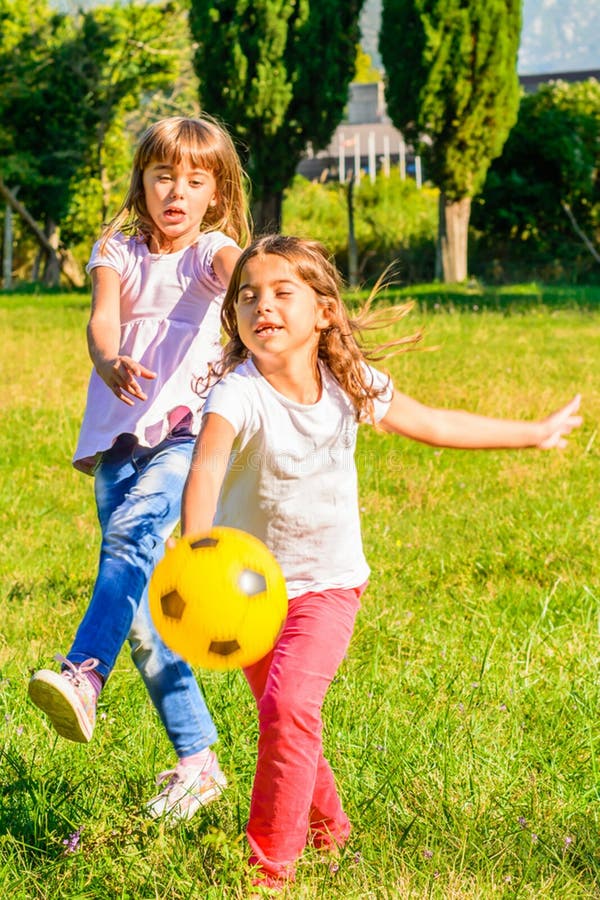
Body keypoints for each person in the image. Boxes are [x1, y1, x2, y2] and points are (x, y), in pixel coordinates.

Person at [179, 234, 582, 890]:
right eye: (248, 296)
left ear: (325, 312)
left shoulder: (349, 382)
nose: (263, 307)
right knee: (288, 718)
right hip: (246, 591)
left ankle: (266, 877)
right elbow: (205, 470)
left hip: (328, 586)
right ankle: (331, 835)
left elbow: (438, 424)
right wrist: (198, 551)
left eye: (283, 293)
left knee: (287, 710)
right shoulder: (236, 393)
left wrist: (533, 433)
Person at [28, 115, 251, 823]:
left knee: (127, 543)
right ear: (143, 183)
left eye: (193, 180)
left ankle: (83, 673)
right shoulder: (117, 249)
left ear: (215, 194)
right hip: (117, 444)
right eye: (162, 176)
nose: (175, 192)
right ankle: (199, 762)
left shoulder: (214, 250)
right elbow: (101, 320)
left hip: (184, 436)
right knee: (150, 622)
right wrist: (108, 357)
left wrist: (276, 294)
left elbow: (243, 277)